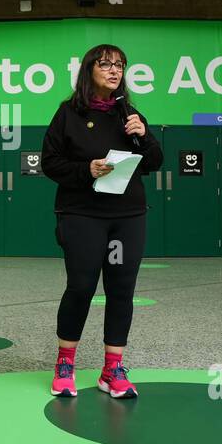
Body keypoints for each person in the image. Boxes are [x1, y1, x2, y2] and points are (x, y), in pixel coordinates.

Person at [40, 44, 163, 399]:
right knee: (81, 286)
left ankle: (112, 370)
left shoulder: (130, 114)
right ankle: (65, 364)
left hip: (127, 216)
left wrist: (142, 134)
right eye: (106, 64)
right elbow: (50, 162)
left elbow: (155, 160)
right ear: (89, 71)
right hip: (82, 213)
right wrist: (86, 169)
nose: (114, 70)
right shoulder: (68, 114)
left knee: (122, 290)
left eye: (120, 65)